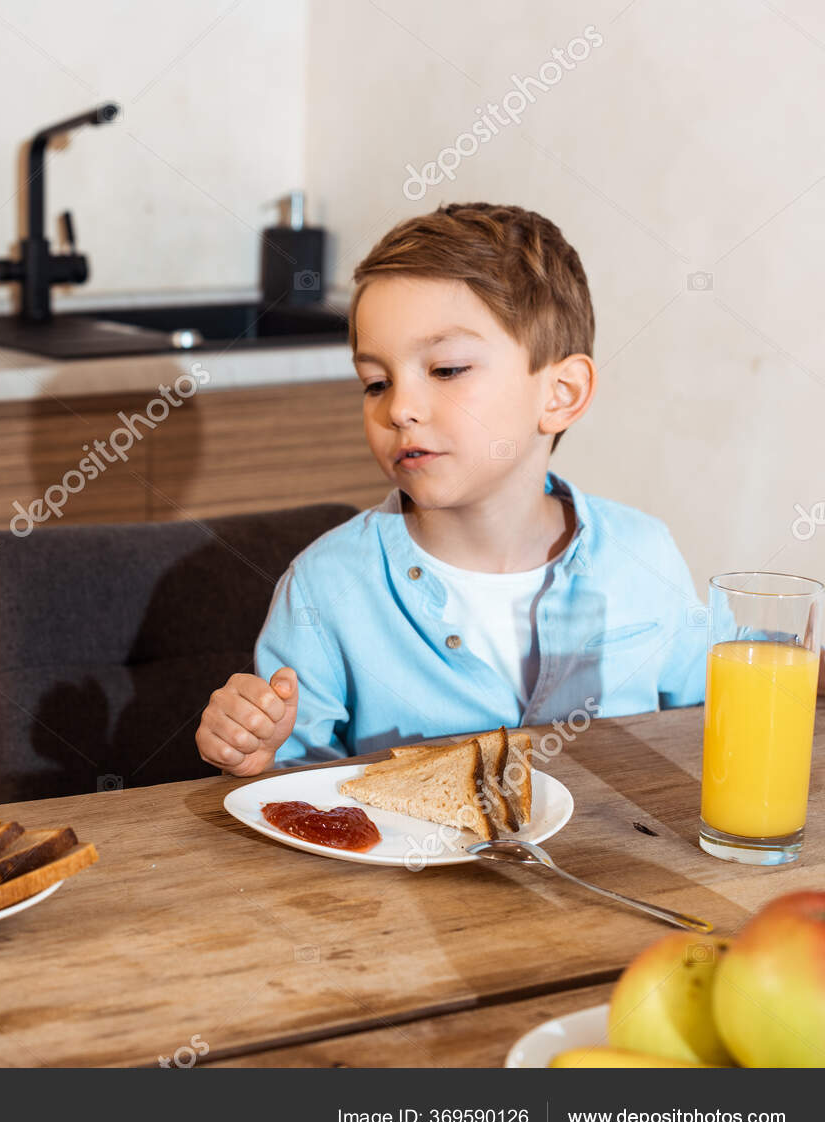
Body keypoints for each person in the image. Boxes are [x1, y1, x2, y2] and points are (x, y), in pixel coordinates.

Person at [197, 202, 706, 776]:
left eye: (445, 370)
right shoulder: (325, 587)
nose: (401, 408)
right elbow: (288, 789)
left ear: (560, 393)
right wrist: (254, 752)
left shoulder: (644, 554)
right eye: (375, 383)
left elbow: (718, 702)